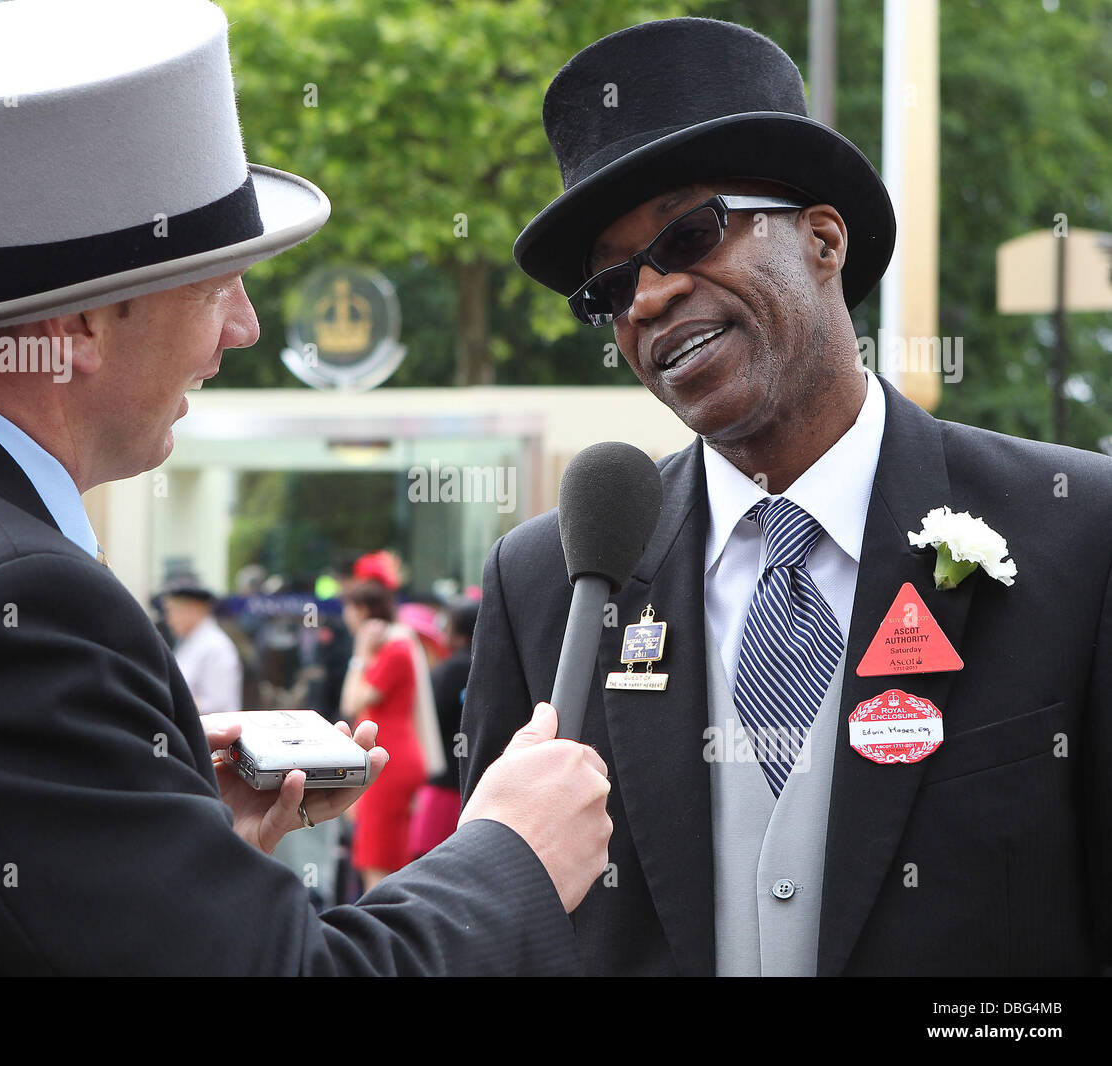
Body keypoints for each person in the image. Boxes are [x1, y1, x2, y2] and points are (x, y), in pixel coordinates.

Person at [0, 0, 611, 976]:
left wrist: (162, 845)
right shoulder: (5, 608)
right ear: (79, 326)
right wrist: (513, 857)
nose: (244, 328)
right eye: (213, 282)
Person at [460, 17, 1112, 976]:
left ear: (822, 238)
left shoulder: (1078, 530)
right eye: (611, 284)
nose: (646, 299)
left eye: (688, 234)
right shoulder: (547, 582)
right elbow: (505, 932)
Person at [339, 578, 429, 891]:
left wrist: (360, 652)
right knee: (383, 855)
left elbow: (352, 700)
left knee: (378, 860)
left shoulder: (394, 651)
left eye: (349, 608)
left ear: (363, 610)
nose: (345, 616)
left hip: (388, 760)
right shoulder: (395, 648)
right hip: (388, 755)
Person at [410, 598, 479, 858]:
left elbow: (425, 721)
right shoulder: (490, 665)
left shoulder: (450, 670)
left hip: (442, 789)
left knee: (429, 859)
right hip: (476, 788)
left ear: (458, 633)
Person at [157, 573, 244, 715]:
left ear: (193, 608)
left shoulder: (216, 647)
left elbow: (219, 705)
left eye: (171, 610)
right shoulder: (190, 642)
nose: (168, 619)